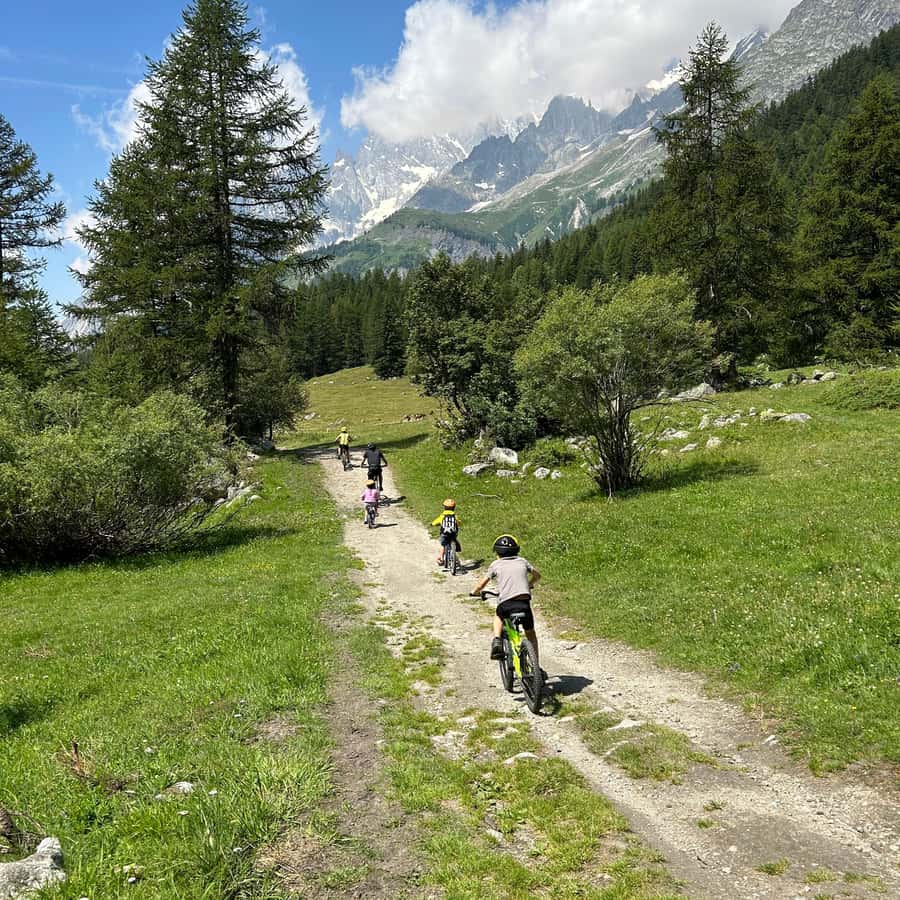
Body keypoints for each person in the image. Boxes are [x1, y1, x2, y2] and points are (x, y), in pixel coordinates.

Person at [471, 535, 541, 662]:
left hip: (506, 604)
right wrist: (530, 584)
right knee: (531, 634)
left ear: (497, 553)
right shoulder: (522, 561)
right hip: (524, 604)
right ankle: (536, 663)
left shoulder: (496, 564)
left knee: (499, 615)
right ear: (517, 550)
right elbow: (537, 575)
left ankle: (497, 639)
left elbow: (481, 584)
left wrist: (475, 592)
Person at [431, 498, 461, 566]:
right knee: (454, 540)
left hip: (444, 533)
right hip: (453, 533)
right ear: (454, 508)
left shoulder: (442, 516)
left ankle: (441, 558)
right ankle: (455, 556)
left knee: (443, 545)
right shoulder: (455, 516)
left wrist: (432, 524)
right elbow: (458, 523)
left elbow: (436, 522)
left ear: (444, 507)